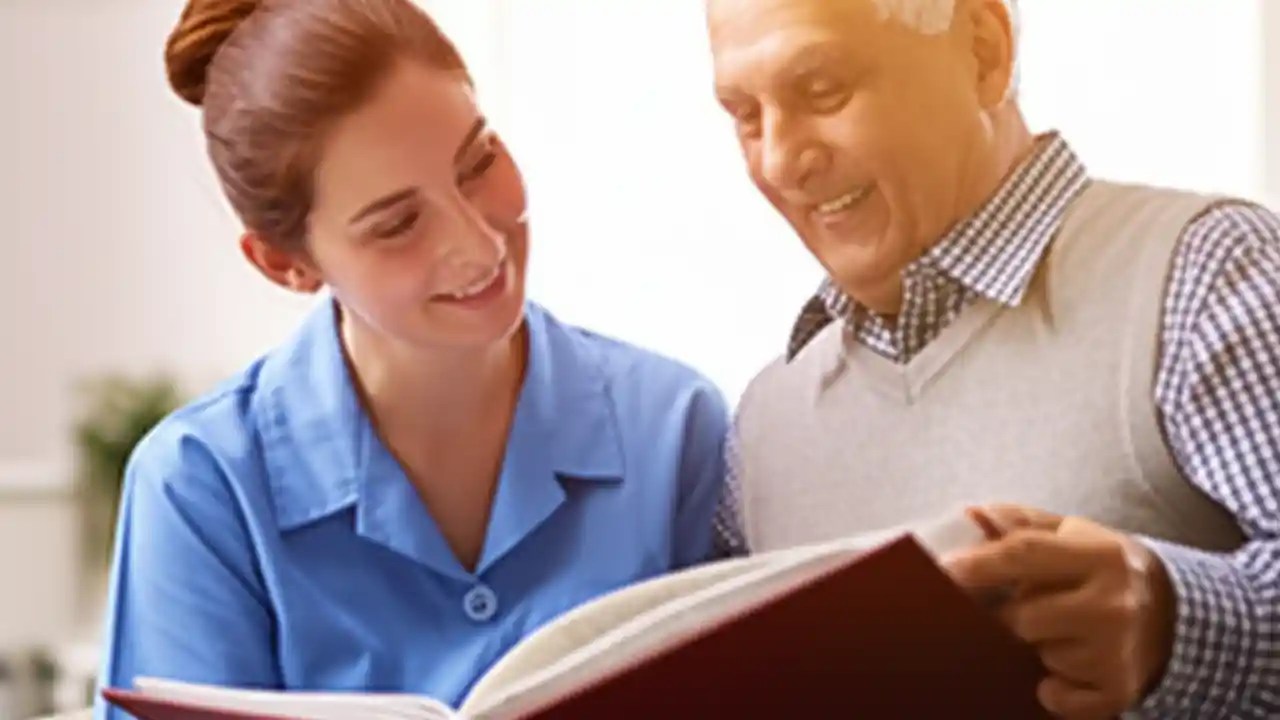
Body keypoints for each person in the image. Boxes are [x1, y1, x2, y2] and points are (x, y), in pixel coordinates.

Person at [93, 0, 729, 716]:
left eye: (478, 162)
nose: (477, 244)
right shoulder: (201, 490)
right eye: (398, 224)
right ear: (283, 263)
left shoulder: (673, 431)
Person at [705, 0, 1279, 718]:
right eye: (745, 115)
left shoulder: (1208, 277)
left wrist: (1176, 624)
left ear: (983, 51)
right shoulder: (764, 431)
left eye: (823, 91)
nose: (781, 160)